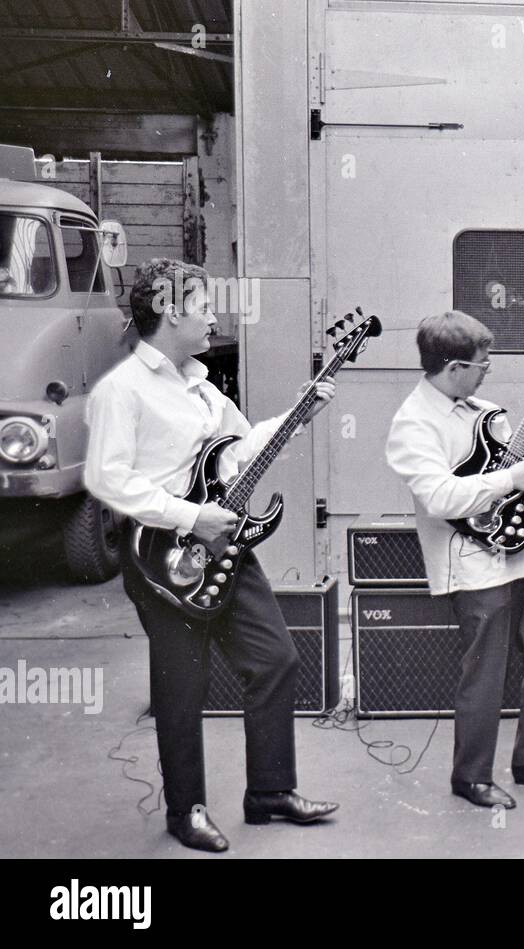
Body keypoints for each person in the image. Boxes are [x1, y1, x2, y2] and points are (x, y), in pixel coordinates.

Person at [84, 258, 340, 853]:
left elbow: (237, 452)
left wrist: (298, 414)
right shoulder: (123, 390)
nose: (214, 316)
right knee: (184, 684)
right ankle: (186, 810)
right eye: (204, 306)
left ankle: (270, 792)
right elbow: (109, 479)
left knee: (275, 658)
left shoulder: (201, 383)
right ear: (171, 311)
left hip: (222, 544)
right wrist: (191, 515)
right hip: (159, 557)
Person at [386, 310, 524, 810]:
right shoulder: (413, 425)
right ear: (454, 366)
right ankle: (471, 777)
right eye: (482, 364)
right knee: (487, 674)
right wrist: (507, 480)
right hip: (473, 563)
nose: (488, 371)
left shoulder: (484, 409)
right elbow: (440, 498)